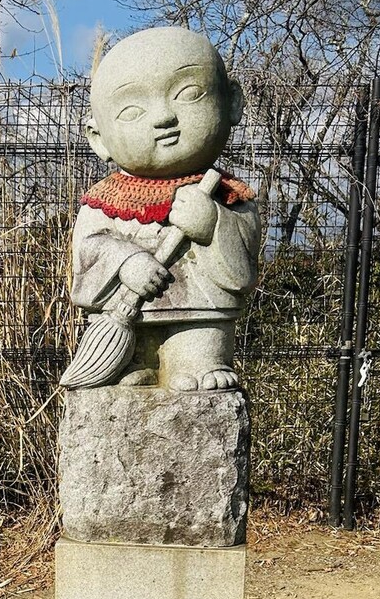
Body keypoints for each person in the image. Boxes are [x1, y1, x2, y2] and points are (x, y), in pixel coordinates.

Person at [71, 27, 260, 391]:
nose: (163, 117)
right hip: (125, 317)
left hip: (201, 315)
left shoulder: (229, 195)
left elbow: (241, 273)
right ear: (98, 138)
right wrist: (125, 260)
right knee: (127, 360)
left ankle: (200, 359)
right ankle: (134, 361)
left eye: (188, 94)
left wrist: (212, 224)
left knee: (199, 348)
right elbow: (88, 250)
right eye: (131, 111)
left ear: (232, 101)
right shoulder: (102, 199)